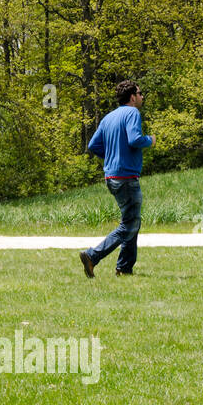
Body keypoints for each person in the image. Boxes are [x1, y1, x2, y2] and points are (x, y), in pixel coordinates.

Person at [80, 81, 154, 278]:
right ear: (132, 97)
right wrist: (150, 140)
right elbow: (135, 139)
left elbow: (93, 146)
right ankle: (92, 255)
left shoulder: (108, 117)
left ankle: (124, 267)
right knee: (129, 225)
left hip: (112, 176)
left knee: (132, 221)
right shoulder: (132, 114)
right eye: (140, 93)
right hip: (125, 177)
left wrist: (112, 156)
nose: (142, 96)